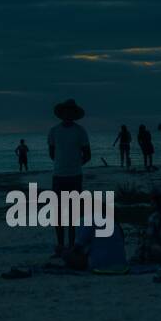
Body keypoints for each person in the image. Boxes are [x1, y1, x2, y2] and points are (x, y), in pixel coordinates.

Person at [47, 99, 91, 255]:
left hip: (74, 176)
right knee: (58, 213)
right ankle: (60, 245)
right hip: (59, 176)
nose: (68, 114)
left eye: (71, 111)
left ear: (74, 114)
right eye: (66, 111)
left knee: (73, 213)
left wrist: (75, 165)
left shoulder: (80, 131)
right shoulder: (54, 131)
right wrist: (63, 164)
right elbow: (52, 153)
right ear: (62, 113)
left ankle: (72, 245)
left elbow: (87, 154)